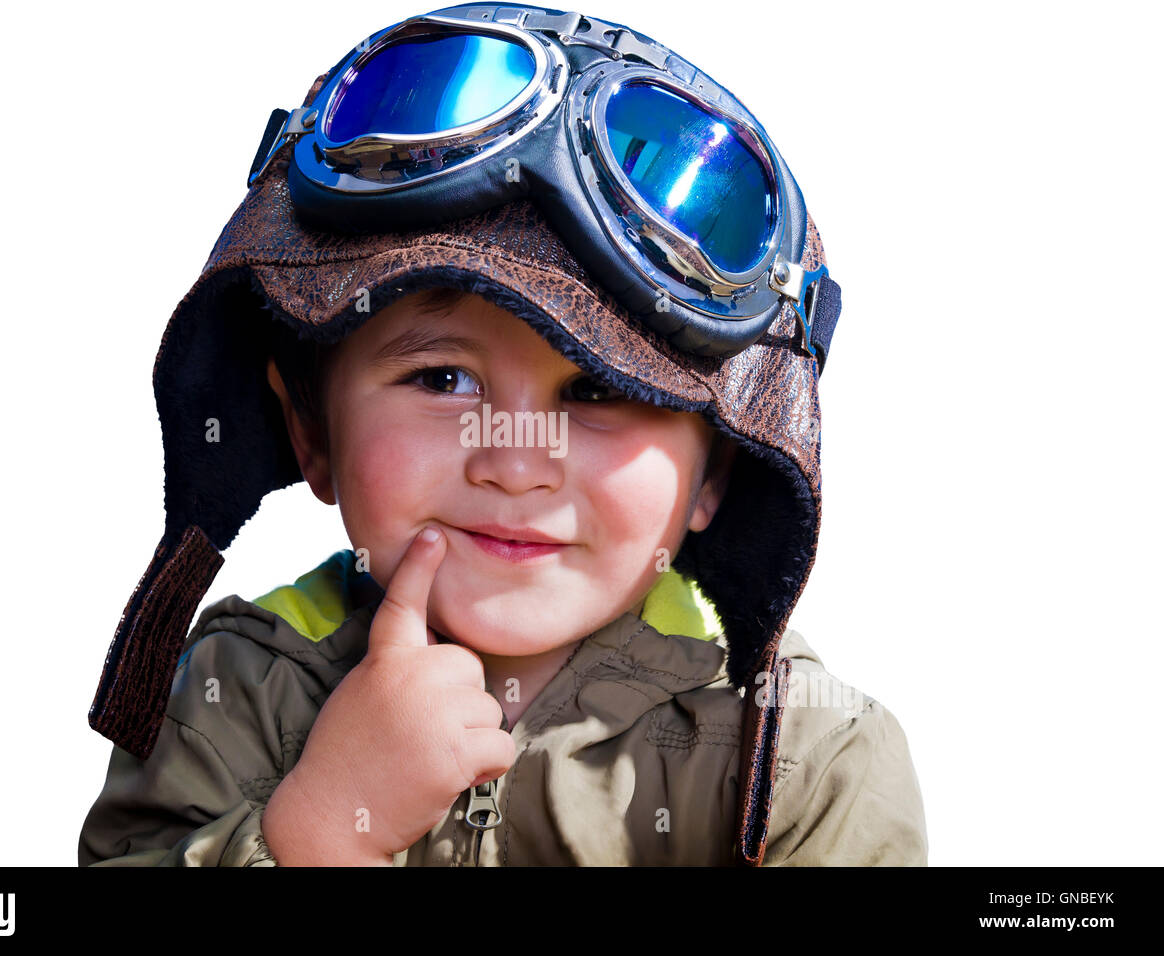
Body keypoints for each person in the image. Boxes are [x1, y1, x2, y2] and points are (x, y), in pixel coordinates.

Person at [78, 2, 928, 866]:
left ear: (716, 473)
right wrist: (321, 830)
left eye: (597, 388)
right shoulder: (231, 697)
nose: (517, 463)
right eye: (442, 379)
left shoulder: (802, 767)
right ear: (310, 429)